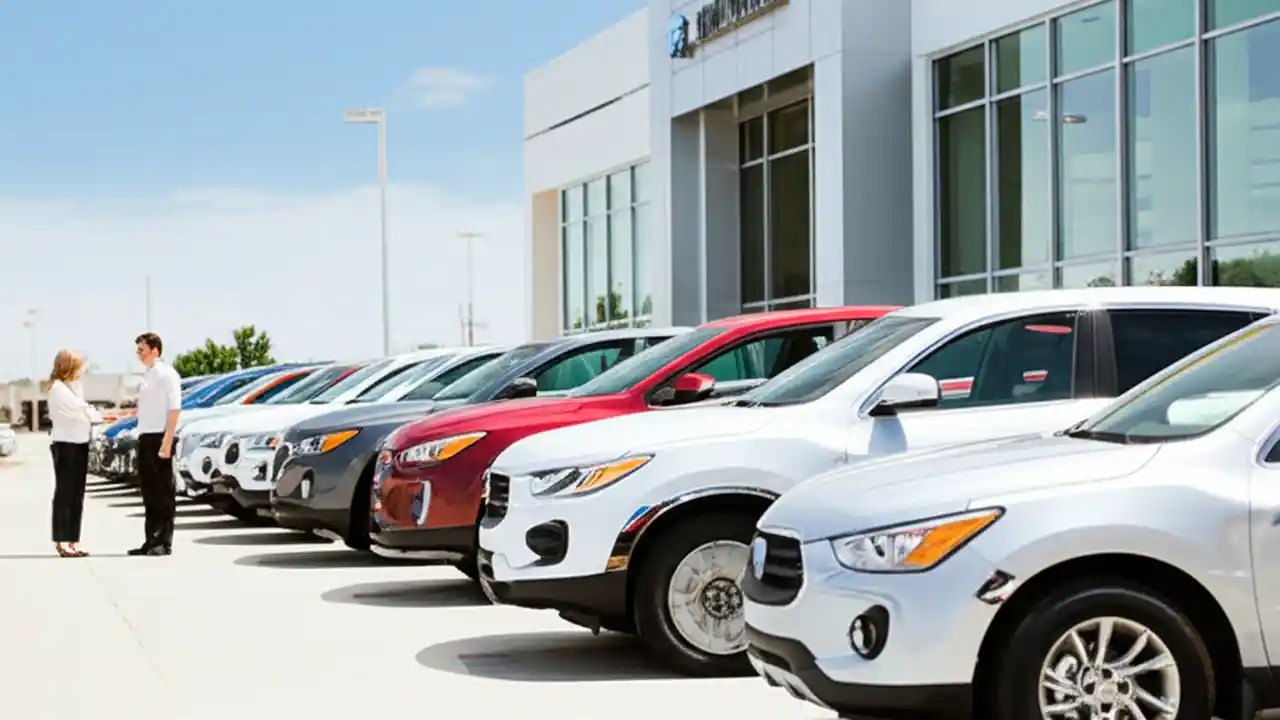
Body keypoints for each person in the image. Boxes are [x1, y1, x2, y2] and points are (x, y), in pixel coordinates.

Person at [48, 350, 103, 558]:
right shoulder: (58, 389)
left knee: (76, 496)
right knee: (65, 494)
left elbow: (85, 410)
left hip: (79, 443)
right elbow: (81, 411)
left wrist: (91, 413)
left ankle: (72, 540)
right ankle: (62, 540)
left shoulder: (74, 387)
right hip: (66, 446)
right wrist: (93, 414)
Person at [131, 332, 182, 556]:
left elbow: (174, 408)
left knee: (163, 493)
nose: (138, 354)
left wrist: (168, 439)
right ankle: (150, 540)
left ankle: (163, 541)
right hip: (145, 436)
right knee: (149, 492)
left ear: (155, 350)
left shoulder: (167, 374)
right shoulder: (147, 376)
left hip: (160, 437)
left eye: (141, 349)